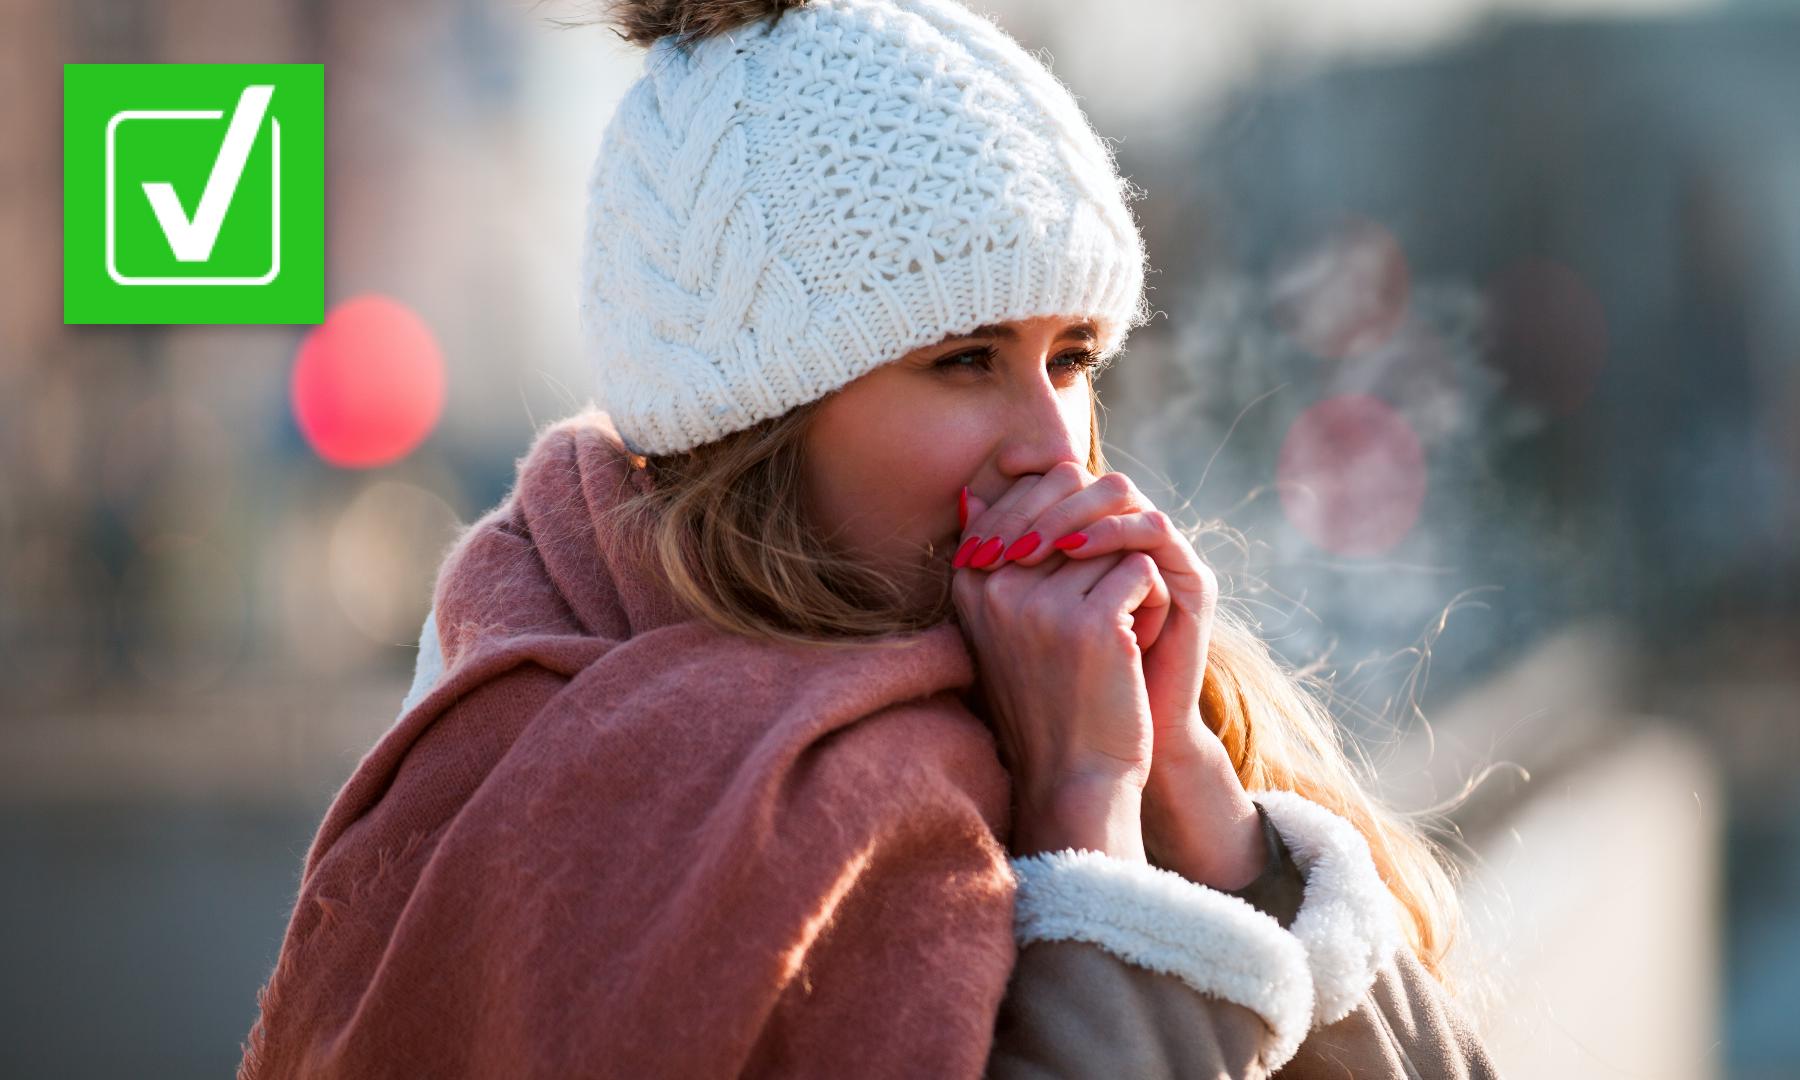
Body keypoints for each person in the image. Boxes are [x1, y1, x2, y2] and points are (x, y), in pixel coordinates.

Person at [239, 1, 1504, 1076]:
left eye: (1069, 359)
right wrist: (1084, 823)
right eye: (963, 361)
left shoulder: (1122, 692)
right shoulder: (567, 772)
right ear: (759, 428)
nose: (1056, 452)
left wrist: (1194, 796)